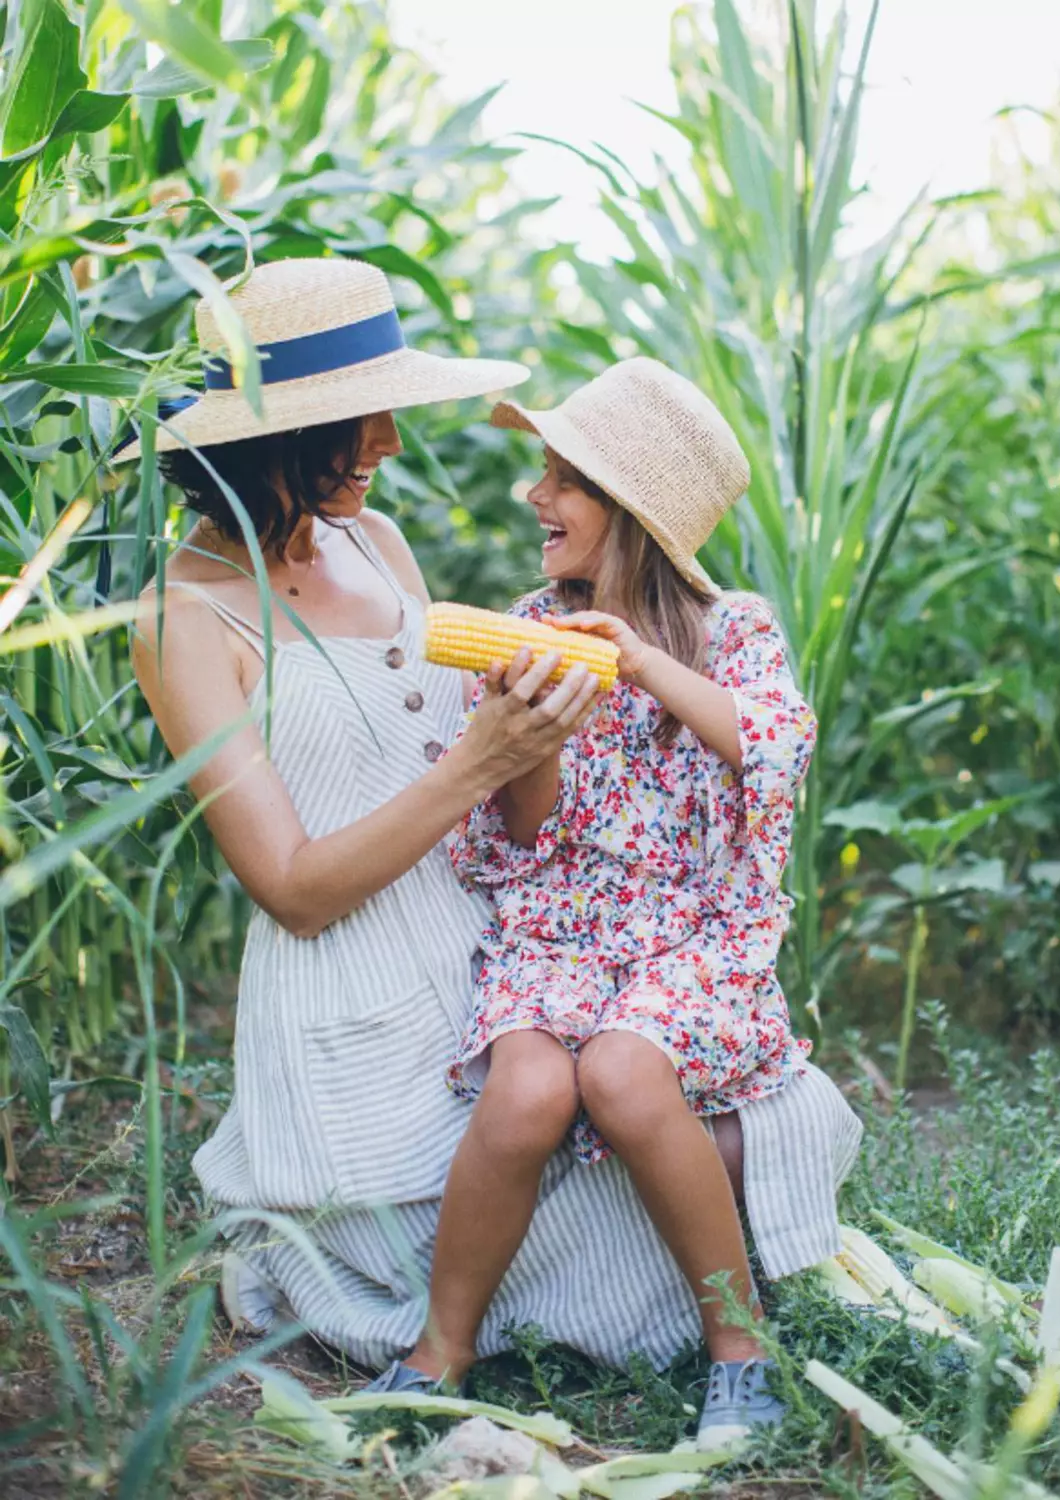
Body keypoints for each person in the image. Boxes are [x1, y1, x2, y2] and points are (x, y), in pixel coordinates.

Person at [125, 257, 862, 1424]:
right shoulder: (184, 618)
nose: (394, 447)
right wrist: (497, 757)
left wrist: (551, 731)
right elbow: (301, 890)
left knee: (645, 1095)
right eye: (371, 420)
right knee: (540, 1137)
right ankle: (468, 1334)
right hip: (380, 976)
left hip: (490, 935)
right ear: (291, 432)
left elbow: (755, 747)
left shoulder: (377, 546)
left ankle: (734, 1317)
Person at [375, 359, 821, 1438]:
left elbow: (775, 748)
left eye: (562, 481)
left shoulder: (735, 630)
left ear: (630, 512)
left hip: (692, 930)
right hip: (565, 921)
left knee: (623, 1068)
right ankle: (441, 1351)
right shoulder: (535, 621)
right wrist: (531, 735)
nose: (537, 497)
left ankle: (740, 1351)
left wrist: (635, 663)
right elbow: (530, 835)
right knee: (527, 1089)